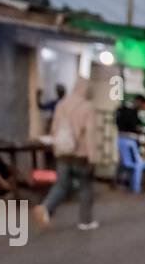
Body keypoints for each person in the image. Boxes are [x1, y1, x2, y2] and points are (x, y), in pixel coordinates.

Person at [35, 77, 98, 231]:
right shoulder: (88, 107)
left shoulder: (62, 104)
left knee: (61, 185)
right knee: (85, 187)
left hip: (63, 152)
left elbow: (54, 128)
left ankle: (46, 208)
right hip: (81, 155)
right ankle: (85, 221)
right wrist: (93, 158)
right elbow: (90, 134)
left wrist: (57, 149)